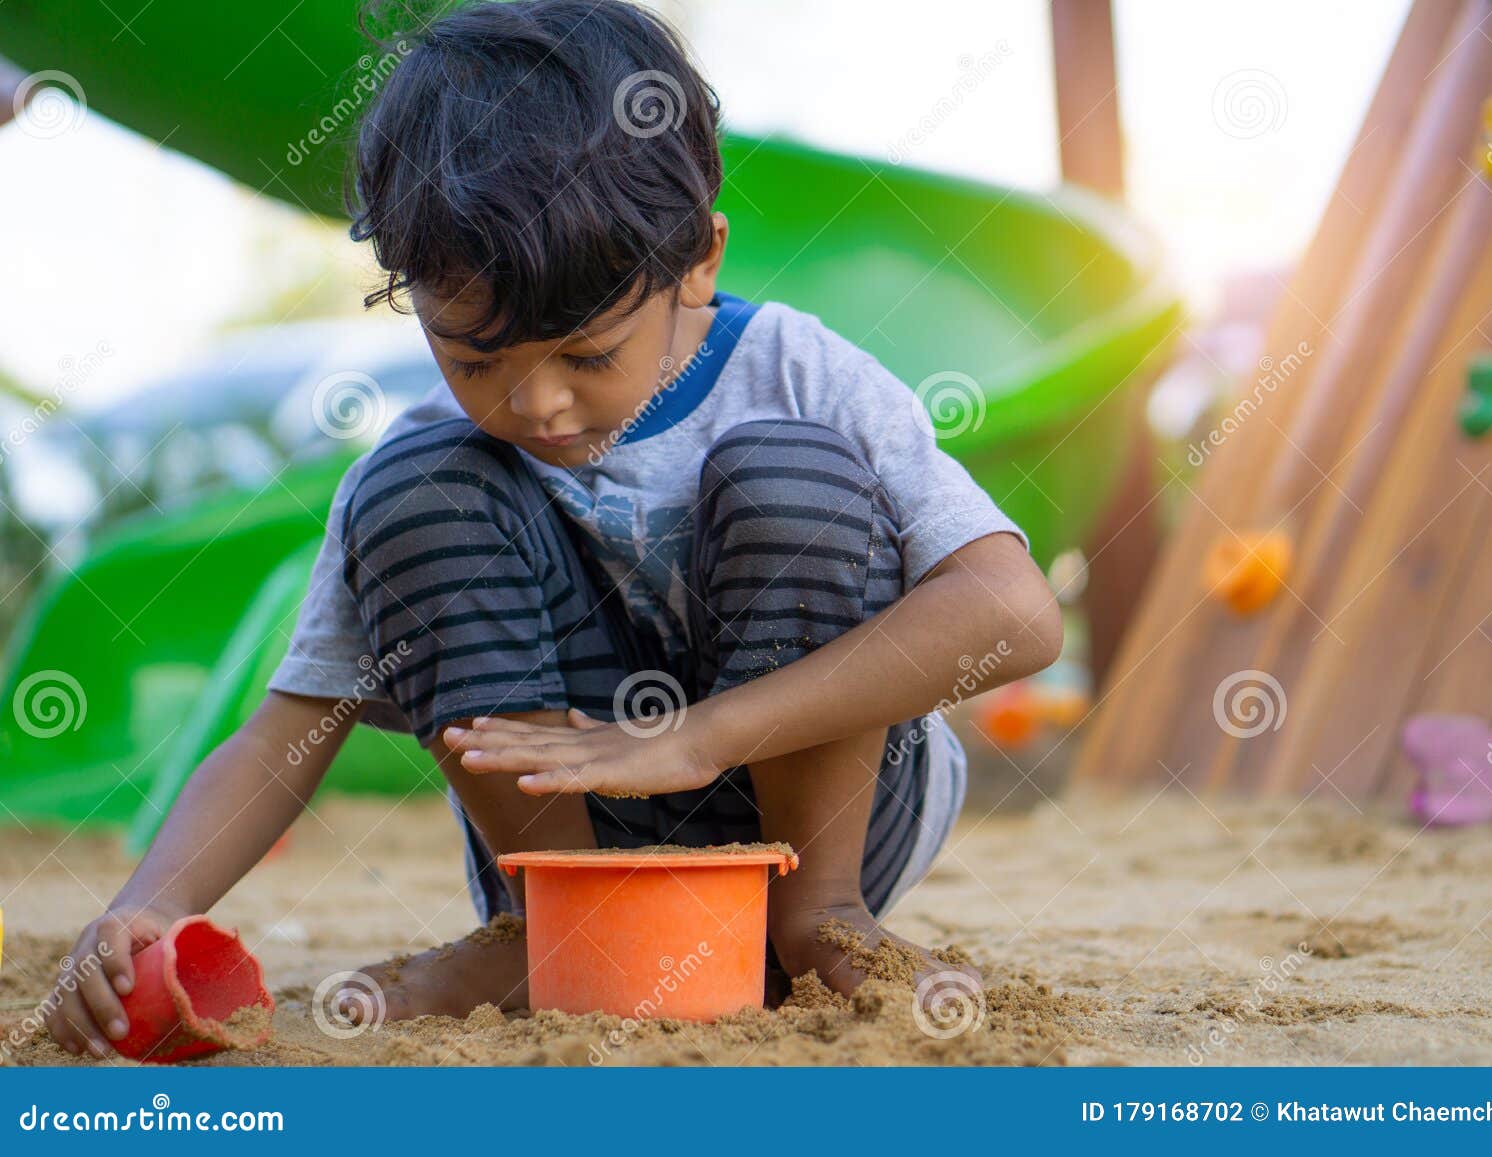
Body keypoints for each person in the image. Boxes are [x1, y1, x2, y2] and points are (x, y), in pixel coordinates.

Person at [45, 0, 1062, 1058]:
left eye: (585, 356)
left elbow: (1014, 615)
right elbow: (283, 735)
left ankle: (819, 922)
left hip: (826, 819)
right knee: (415, 481)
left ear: (699, 262)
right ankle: (554, 928)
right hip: (581, 828)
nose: (536, 409)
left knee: (790, 466)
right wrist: (145, 910)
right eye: (475, 361)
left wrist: (693, 734)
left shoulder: (798, 372)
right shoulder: (443, 459)